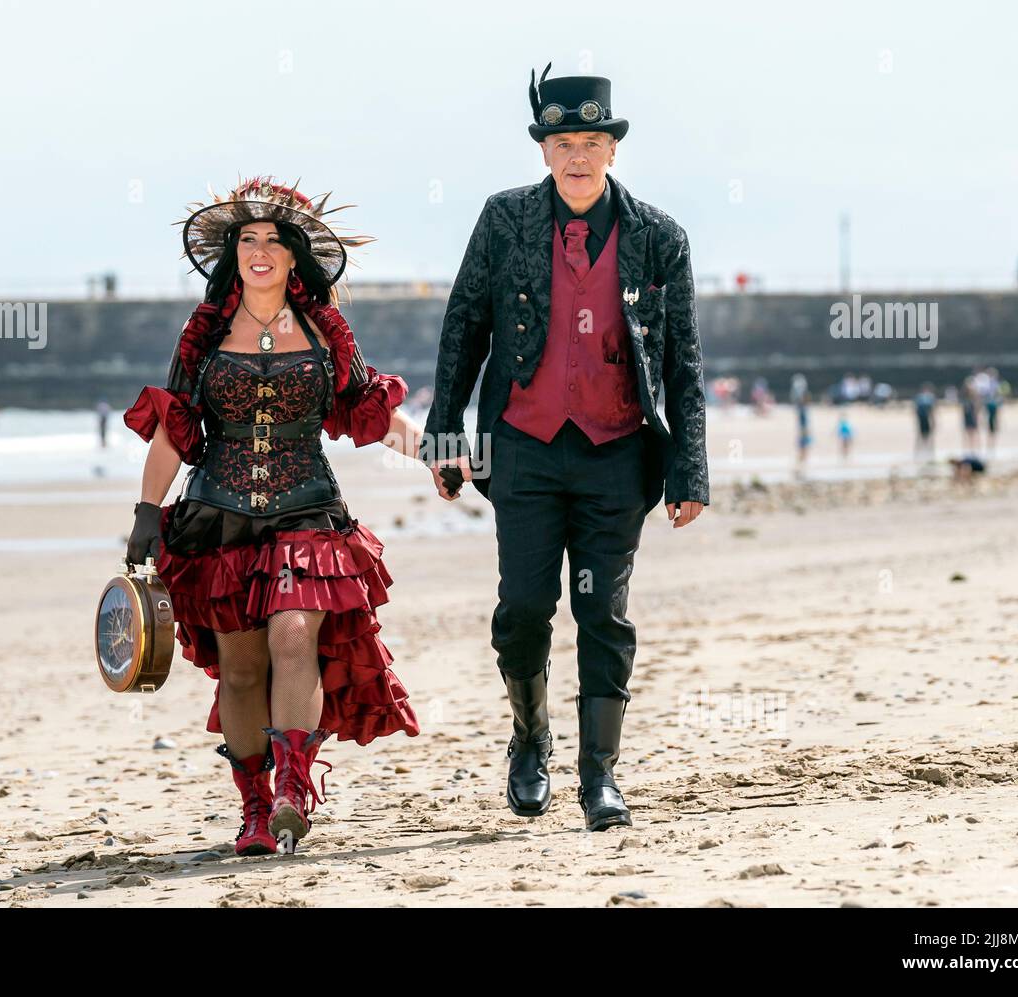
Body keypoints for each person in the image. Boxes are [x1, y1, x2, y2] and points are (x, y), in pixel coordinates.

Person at [420, 63, 710, 832]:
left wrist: (690, 471)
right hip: (523, 448)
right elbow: (463, 330)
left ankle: (599, 775)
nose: (576, 155)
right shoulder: (504, 220)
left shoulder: (659, 237)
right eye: (562, 141)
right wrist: (445, 439)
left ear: (612, 149)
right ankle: (530, 736)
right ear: (544, 150)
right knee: (523, 607)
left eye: (590, 140)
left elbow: (682, 363)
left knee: (602, 612)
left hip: (619, 453)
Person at [123, 178, 424, 855]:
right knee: (241, 667)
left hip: (307, 510)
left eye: (274, 241)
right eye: (248, 240)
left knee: (294, 634)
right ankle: (254, 806)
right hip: (218, 517)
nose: (260, 251)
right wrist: (147, 511)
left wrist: (435, 457)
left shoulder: (325, 330)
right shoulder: (203, 334)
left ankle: (293, 788)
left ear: (295, 257)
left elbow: (369, 411)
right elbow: (175, 426)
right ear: (233, 255)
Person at [913, 382, 936, 461]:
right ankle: (922, 451)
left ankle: (925, 451)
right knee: (923, 436)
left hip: (924, 418)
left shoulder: (923, 397)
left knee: (925, 436)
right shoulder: (926, 398)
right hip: (924, 418)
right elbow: (931, 410)